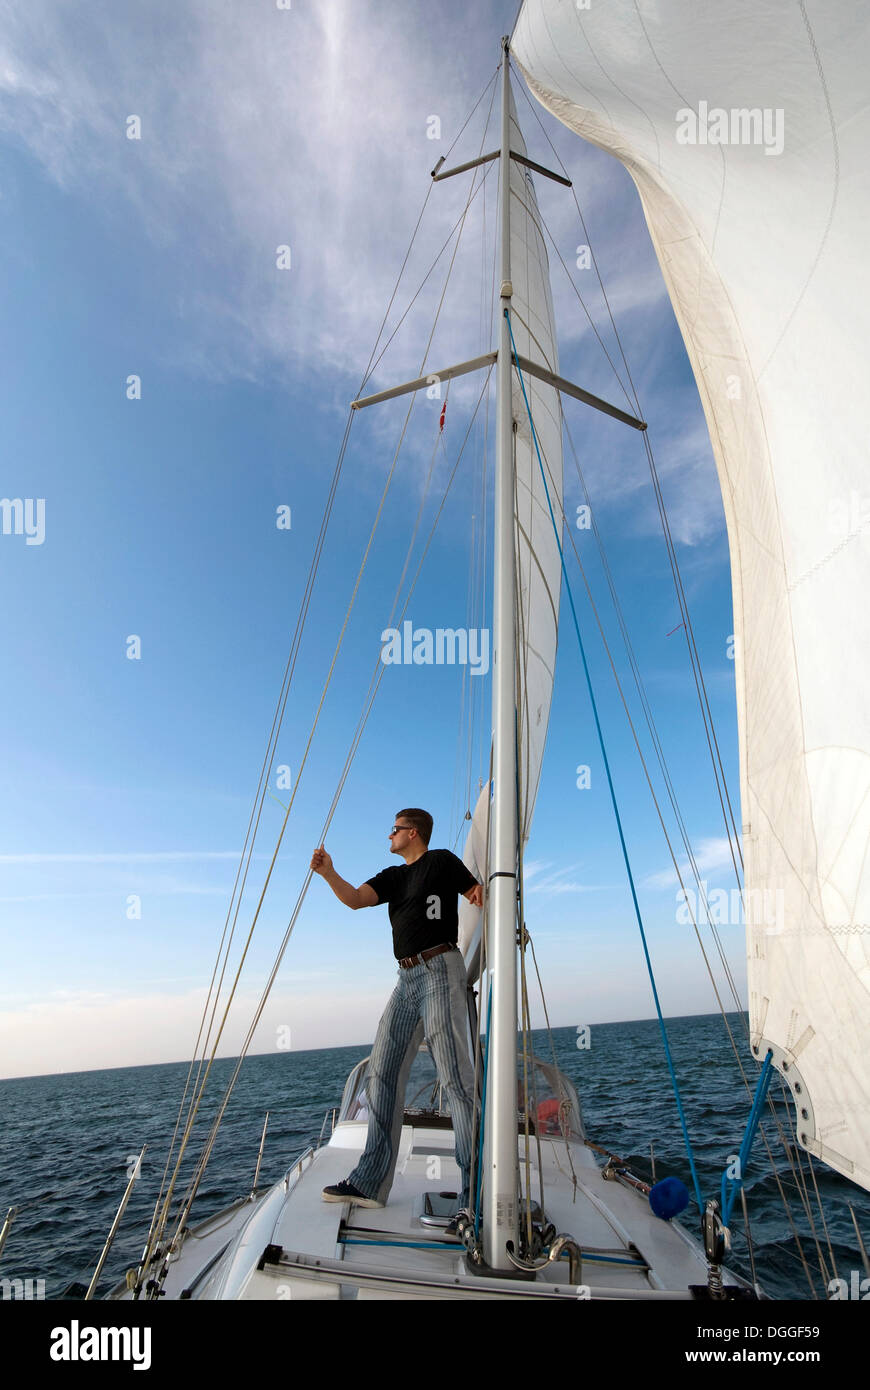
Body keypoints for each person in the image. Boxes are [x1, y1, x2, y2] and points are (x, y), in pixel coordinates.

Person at [310, 807, 482, 1212]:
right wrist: (328, 873)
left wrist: (482, 893)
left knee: (456, 1078)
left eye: (395, 830)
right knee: (381, 1073)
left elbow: (474, 891)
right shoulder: (392, 877)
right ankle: (370, 1182)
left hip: (440, 967)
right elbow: (354, 900)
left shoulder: (440, 861)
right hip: (406, 979)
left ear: (414, 832)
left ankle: (477, 1189)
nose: (389, 836)